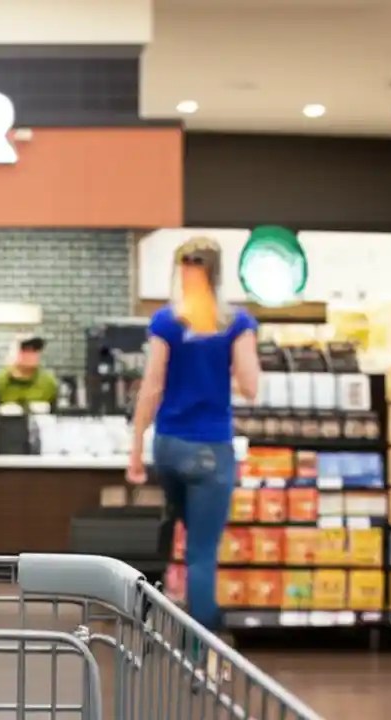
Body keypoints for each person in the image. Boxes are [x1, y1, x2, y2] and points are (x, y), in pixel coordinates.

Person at [127, 237, 260, 651]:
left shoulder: (167, 321)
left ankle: (148, 630)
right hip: (210, 450)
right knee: (202, 554)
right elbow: (251, 386)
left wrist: (135, 451)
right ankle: (199, 653)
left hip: (168, 446)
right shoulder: (236, 323)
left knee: (173, 535)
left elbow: (151, 388)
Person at [0, 337, 58, 408]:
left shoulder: (48, 382)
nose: (32, 355)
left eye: (35, 350)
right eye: (25, 350)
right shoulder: (1, 380)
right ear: (14, 353)